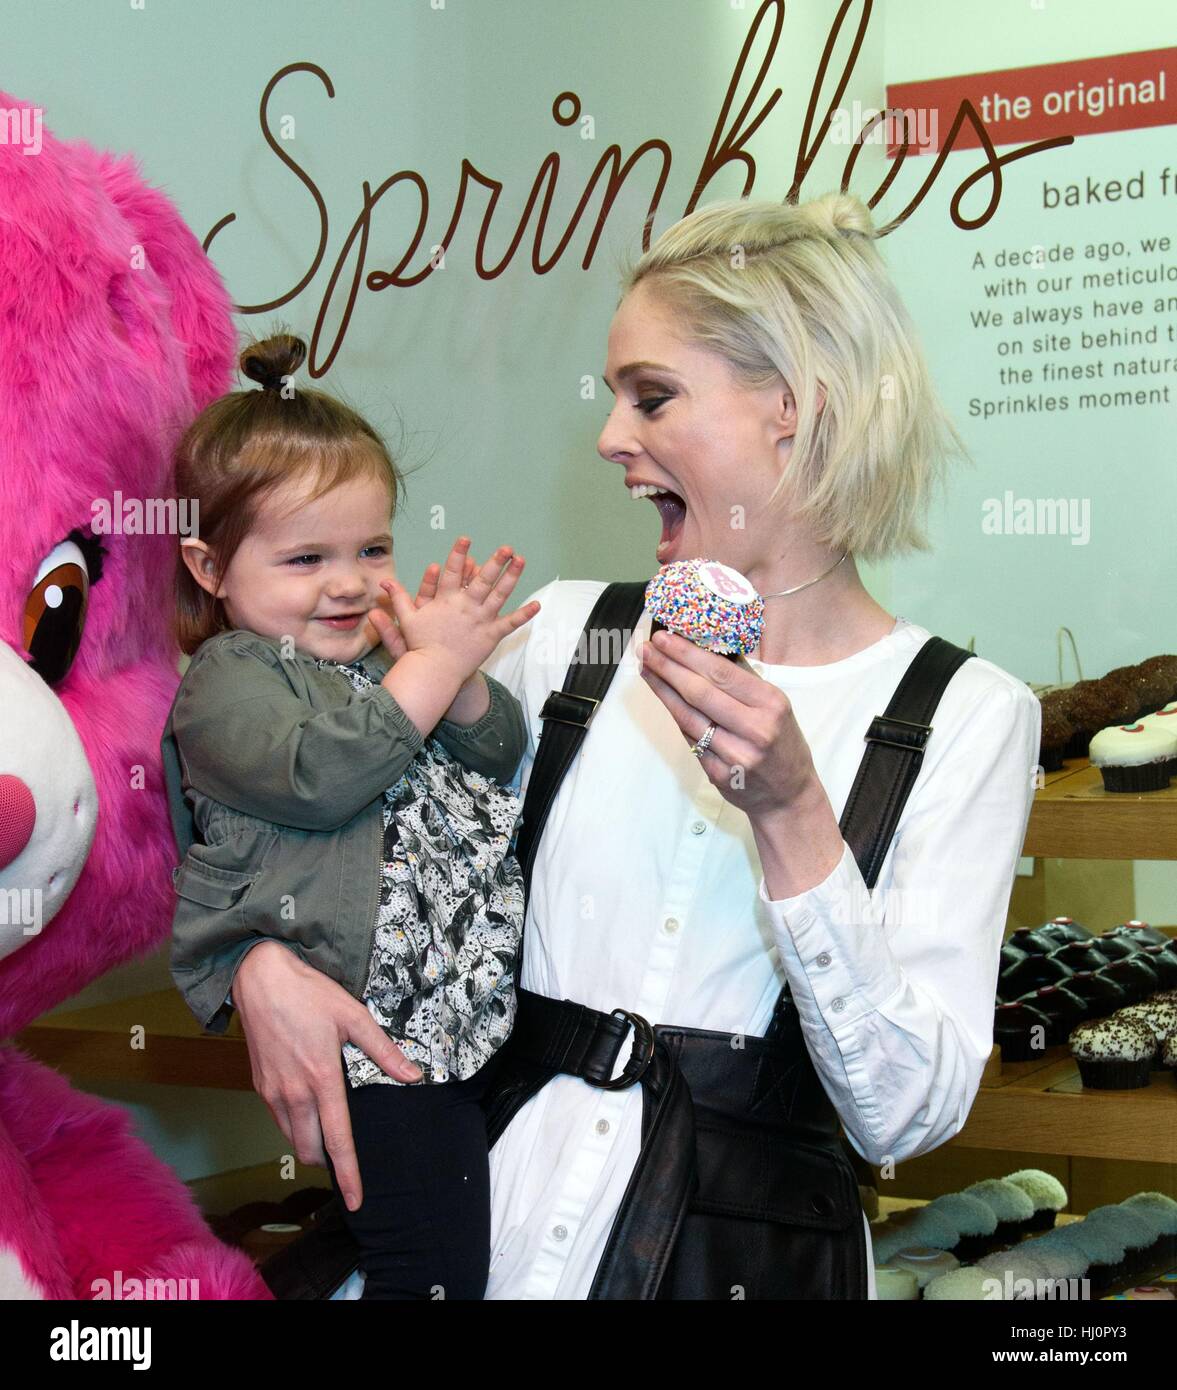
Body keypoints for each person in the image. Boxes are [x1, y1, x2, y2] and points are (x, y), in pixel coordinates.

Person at [227, 193, 1041, 1299]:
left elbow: (902, 1116)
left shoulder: (965, 712)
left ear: (791, 407)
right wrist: (256, 960)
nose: (609, 436)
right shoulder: (564, 636)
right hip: (486, 1235)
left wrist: (793, 814)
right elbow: (331, 835)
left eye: (651, 396)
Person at [161, 332, 540, 1298]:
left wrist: (454, 681)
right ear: (209, 569)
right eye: (304, 558)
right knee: (430, 1265)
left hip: (458, 1018)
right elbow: (321, 777)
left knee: (419, 1241)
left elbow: (499, 754)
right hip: (372, 1034)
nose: (346, 581)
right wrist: (424, 669)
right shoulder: (227, 683)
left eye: (371, 548)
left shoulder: (371, 670)